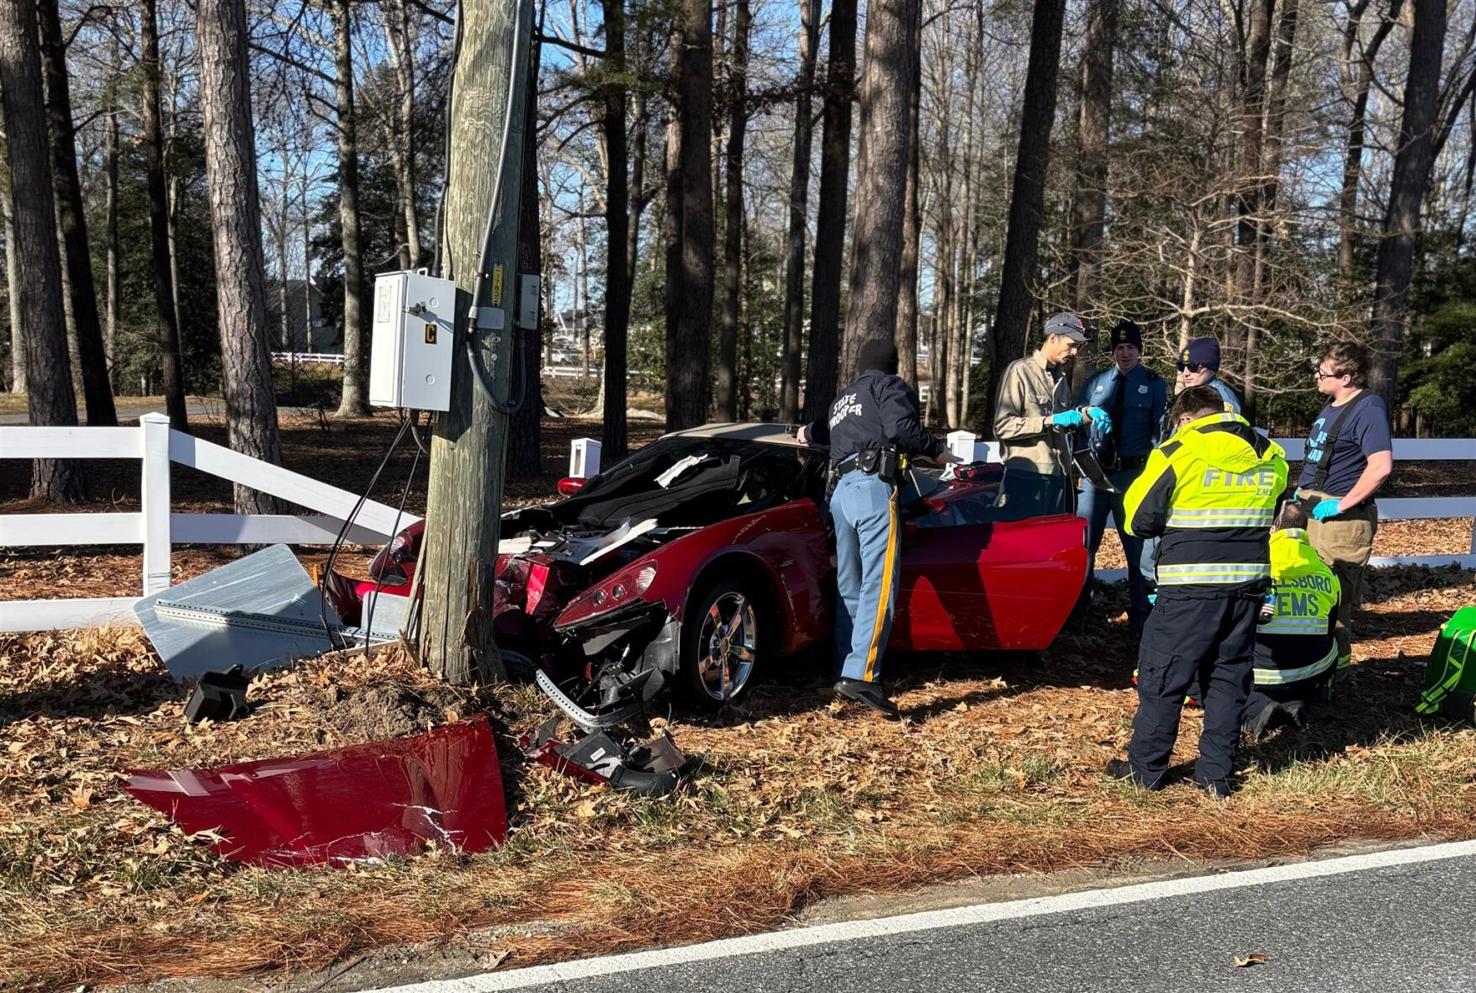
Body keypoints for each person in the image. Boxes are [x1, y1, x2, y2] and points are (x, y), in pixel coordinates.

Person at [1105, 385, 1288, 798]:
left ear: (1186, 419)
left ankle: (1145, 771)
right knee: (1229, 677)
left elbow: (1138, 519)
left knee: (1163, 676)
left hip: (1189, 585)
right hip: (1247, 584)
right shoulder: (1270, 454)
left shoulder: (1177, 452)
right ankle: (1216, 777)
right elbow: (1275, 502)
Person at [796, 338, 953, 717]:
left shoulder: (842, 400)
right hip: (871, 488)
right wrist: (936, 449)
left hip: (840, 495)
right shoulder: (890, 386)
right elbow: (900, 430)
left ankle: (843, 669)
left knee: (850, 583)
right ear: (893, 365)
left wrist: (805, 431)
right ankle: (862, 677)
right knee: (879, 584)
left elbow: (816, 433)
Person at [1294, 342, 1392, 671]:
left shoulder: (1368, 409)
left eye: (1323, 374)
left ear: (1347, 377)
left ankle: (1333, 672)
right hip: (1312, 510)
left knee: (1334, 599)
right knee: (1308, 590)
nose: (1316, 378)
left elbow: (1380, 466)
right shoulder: (1332, 404)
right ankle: (1308, 665)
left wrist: (1343, 504)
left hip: (1340, 522)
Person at [1075, 319, 1168, 630]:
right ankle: (1078, 611)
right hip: (1094, 476)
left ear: (1139, 350)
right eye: (1119, 347)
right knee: (1084, 543)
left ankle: (1142, 616)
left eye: (1130, 347)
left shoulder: (1154, 384)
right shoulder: (1095, 384)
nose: (1125, 353)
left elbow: (1161, 433)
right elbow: (1077, 426)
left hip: (1132, 475)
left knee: (1136, 546)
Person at [993, 312, 1111, 515]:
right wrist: (1049, 421)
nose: (1074, 352)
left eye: (1077, 347)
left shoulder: (1060, 378)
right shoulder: (1020, 371)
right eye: (1071, 345)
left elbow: (1064, 422)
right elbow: (1002, 427)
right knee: (1026, 544)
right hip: (1026, 478)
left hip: (1058, 477)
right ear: (1053, 338)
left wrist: (1087, 414)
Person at [1243, 501, 1341, 742]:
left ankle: (1256, 706)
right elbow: (1330, 627)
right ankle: (1295, 700)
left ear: (1272, 529)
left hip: (1261, 675)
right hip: (1314, 670)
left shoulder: (1255, 565)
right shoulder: (1327, 571)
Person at [1173, 337, 1241, 415]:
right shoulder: (1188, 394)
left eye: (1192, 367)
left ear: (1210, 366)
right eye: (1181, 366)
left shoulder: (1223, 399)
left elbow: (1229, 426)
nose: (1185, 373)